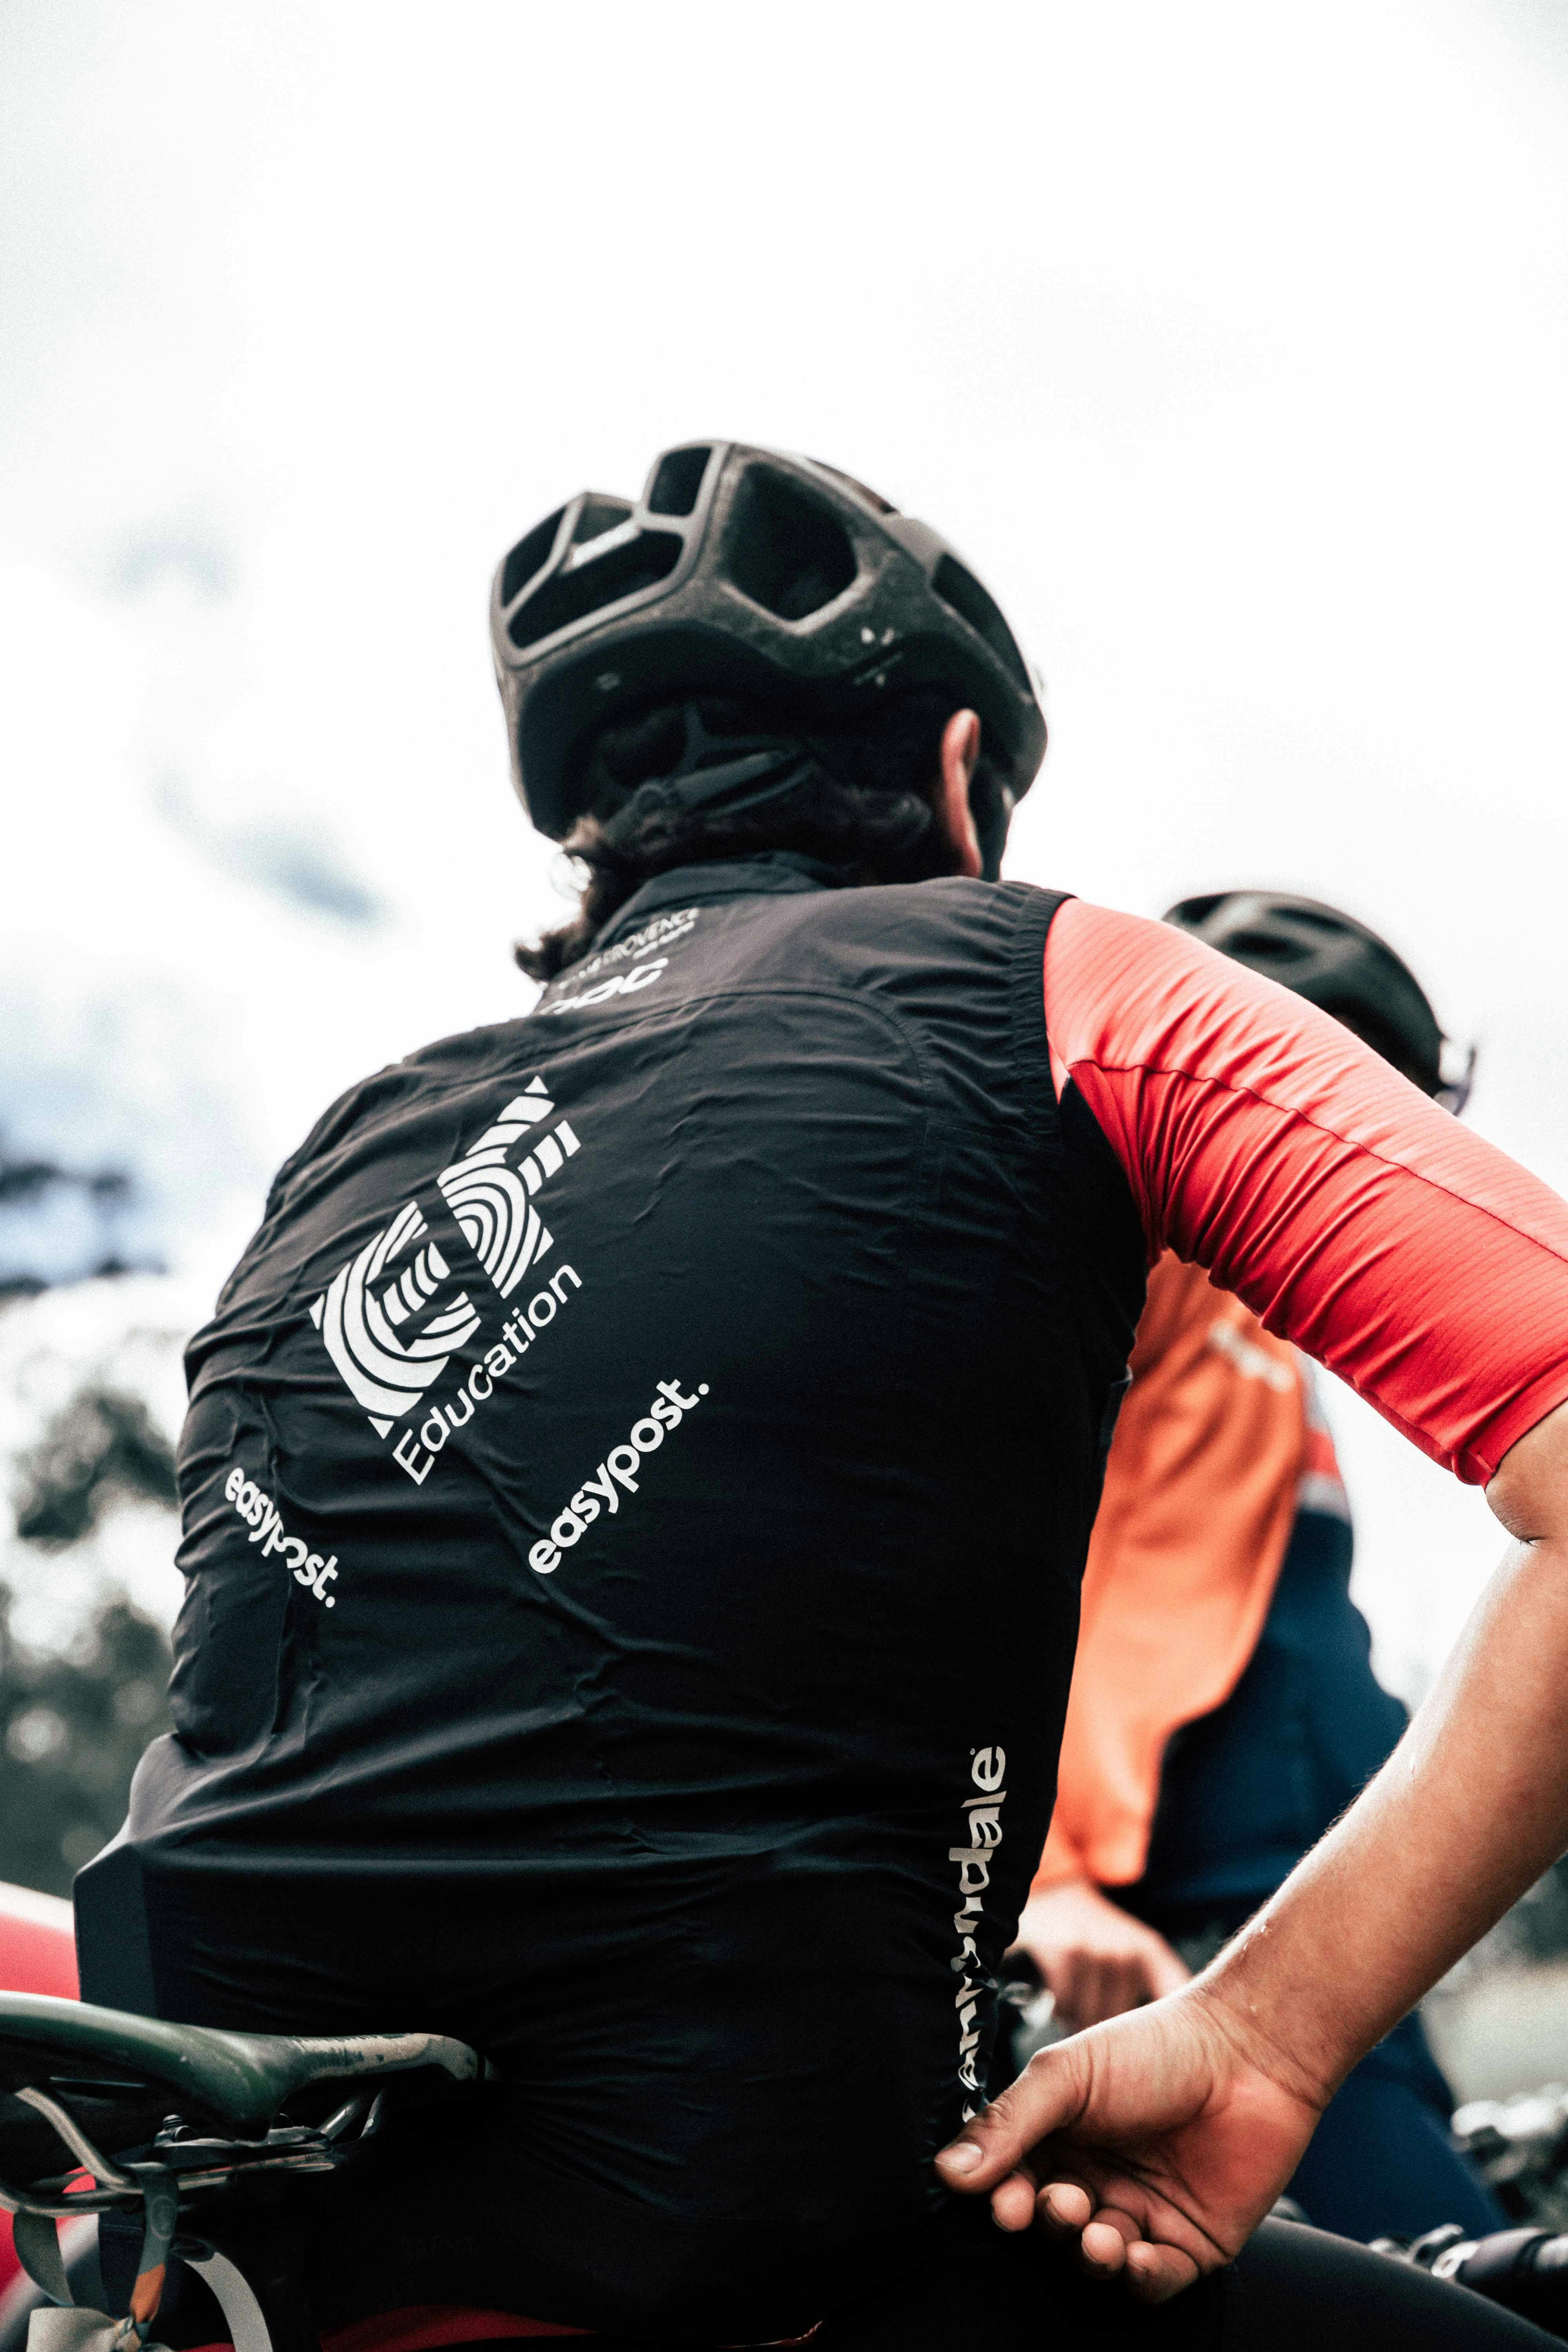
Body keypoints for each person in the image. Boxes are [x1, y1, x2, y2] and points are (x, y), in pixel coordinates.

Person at [75, 441, 1568, 2349]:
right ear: (960, 777)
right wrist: (1271, 2030)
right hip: (801, 2257)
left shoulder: (351, 1152)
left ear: (590, 848)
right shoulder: (1058, 981)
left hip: (266, 2262)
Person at [1012, 891, 1503, 2243]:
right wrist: (1047, 1878)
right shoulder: (1155, 1259)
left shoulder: (1262, 1340)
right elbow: (1012, 1564)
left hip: (1318, 1922)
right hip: (1224, 1926)